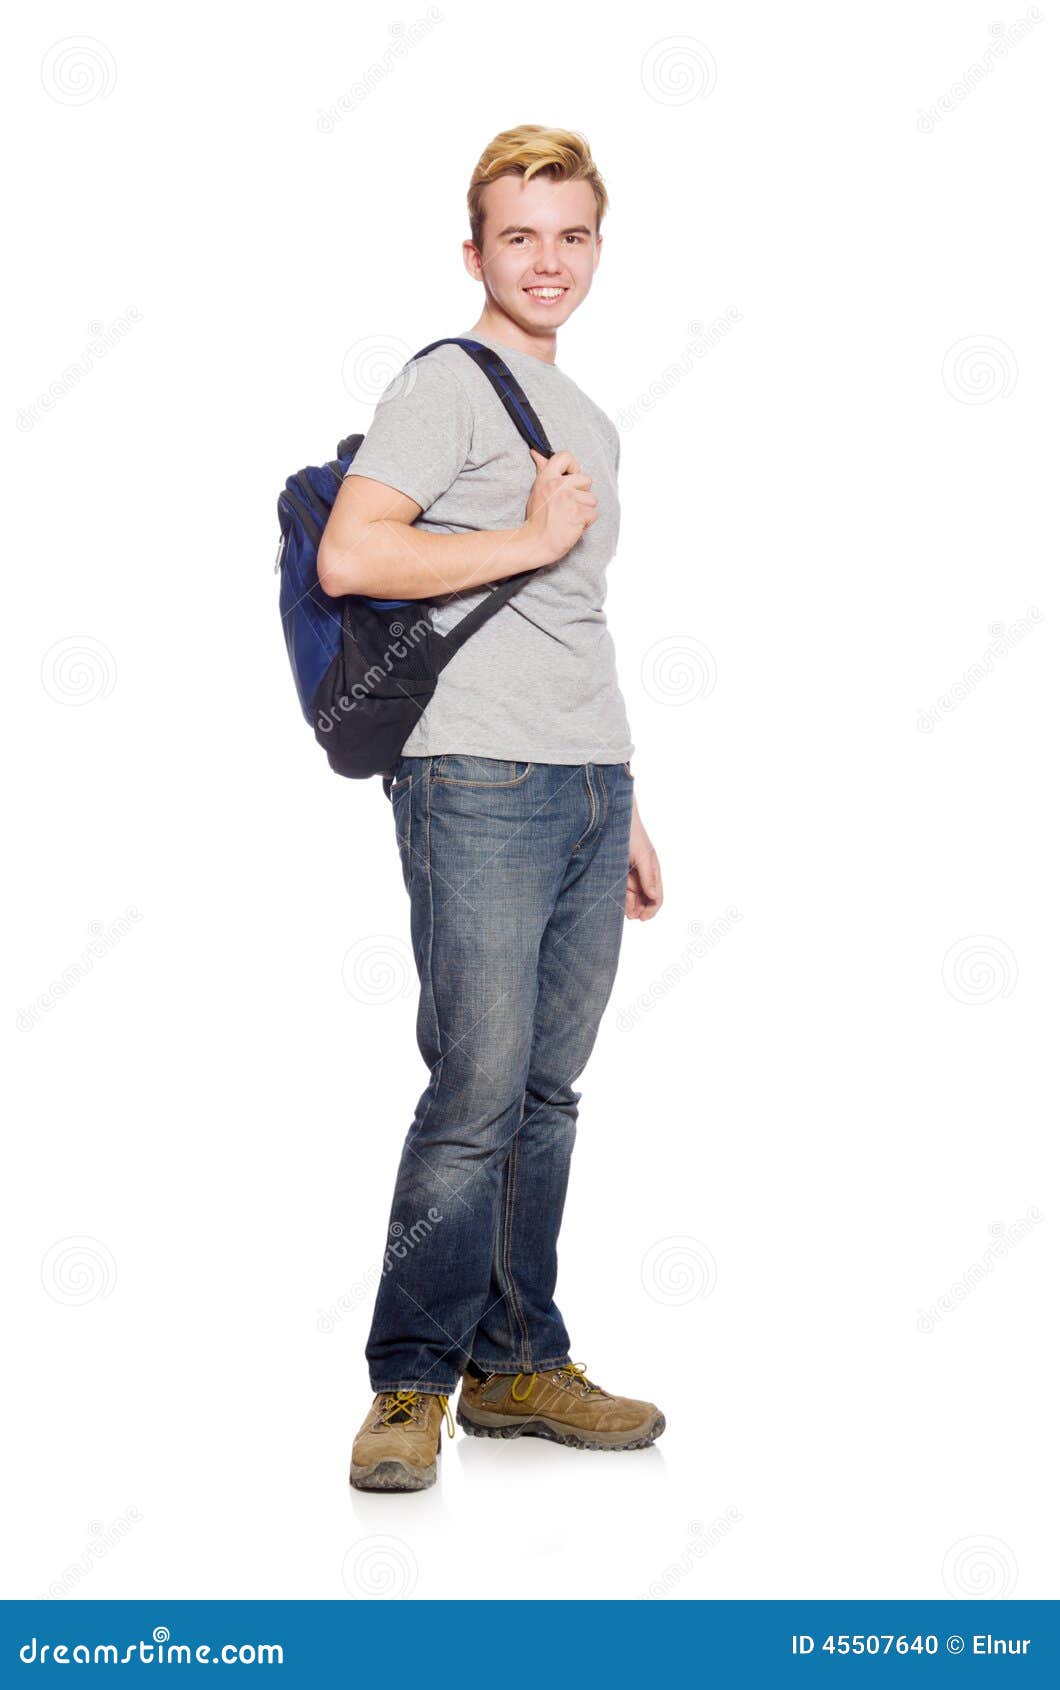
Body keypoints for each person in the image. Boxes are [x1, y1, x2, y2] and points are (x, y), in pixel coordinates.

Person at [318, 125, 665, 1492]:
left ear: (597, 247)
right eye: (520, 235)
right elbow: (354, 553)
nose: (548, 260)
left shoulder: (588, 416)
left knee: (546, 1093)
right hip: (474, 779)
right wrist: (528, 531)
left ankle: (516, 1356)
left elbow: (572, 617)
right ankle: (410, 1384)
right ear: (476, 250)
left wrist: (623, 796)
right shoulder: (447, 384)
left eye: (572, 234)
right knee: (472, 1091)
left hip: (586, 781)